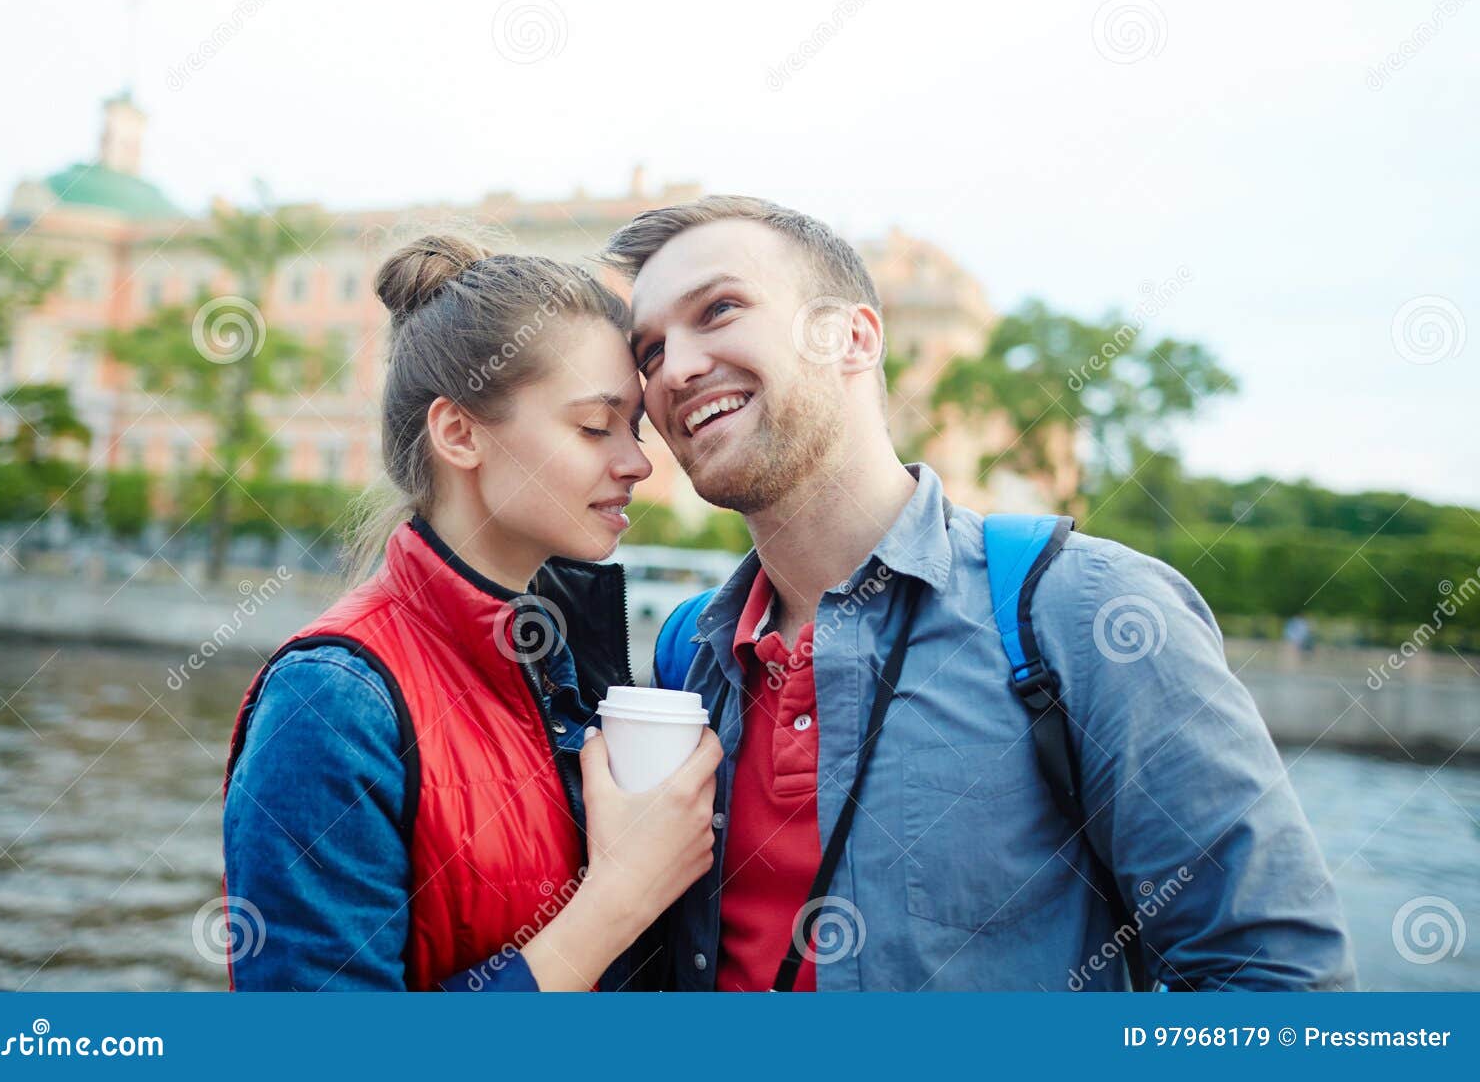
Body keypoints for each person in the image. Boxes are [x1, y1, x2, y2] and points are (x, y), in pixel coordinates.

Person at [601, 196, 1357, 991]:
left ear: (853, 337)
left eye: (718, 309)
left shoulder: (1086, 610)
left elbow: (1282, 987)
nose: (675, 370)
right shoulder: (689, 652)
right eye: (649, 352)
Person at [222, 235, 721, 991]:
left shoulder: (571, 664)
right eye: (595, 427)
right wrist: (619, 898)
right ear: (458, 433)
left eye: (636, 429)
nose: (637, 463)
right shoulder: (330, 702)